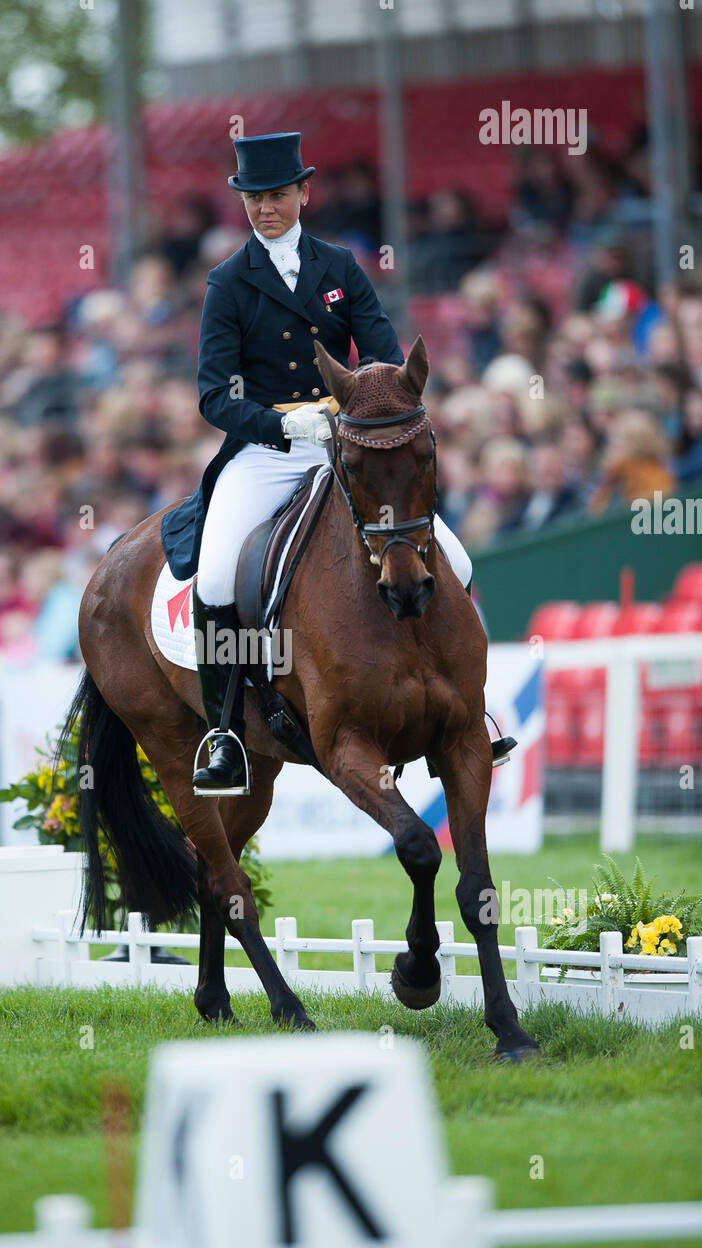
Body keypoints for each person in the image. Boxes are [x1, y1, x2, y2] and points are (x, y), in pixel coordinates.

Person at [160, 132, 510, 795]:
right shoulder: (228, 282)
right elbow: (212, 392)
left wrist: (366, 410)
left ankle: (471, 713)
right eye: (254, 199)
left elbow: (380, 353)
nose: (266, 208)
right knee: (211, 580)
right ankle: (225, 734)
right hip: (265, 453)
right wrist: (280, 422)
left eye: (277, 195)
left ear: (302, 193)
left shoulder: (340, 268)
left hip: (349, 447)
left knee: (456, 559)